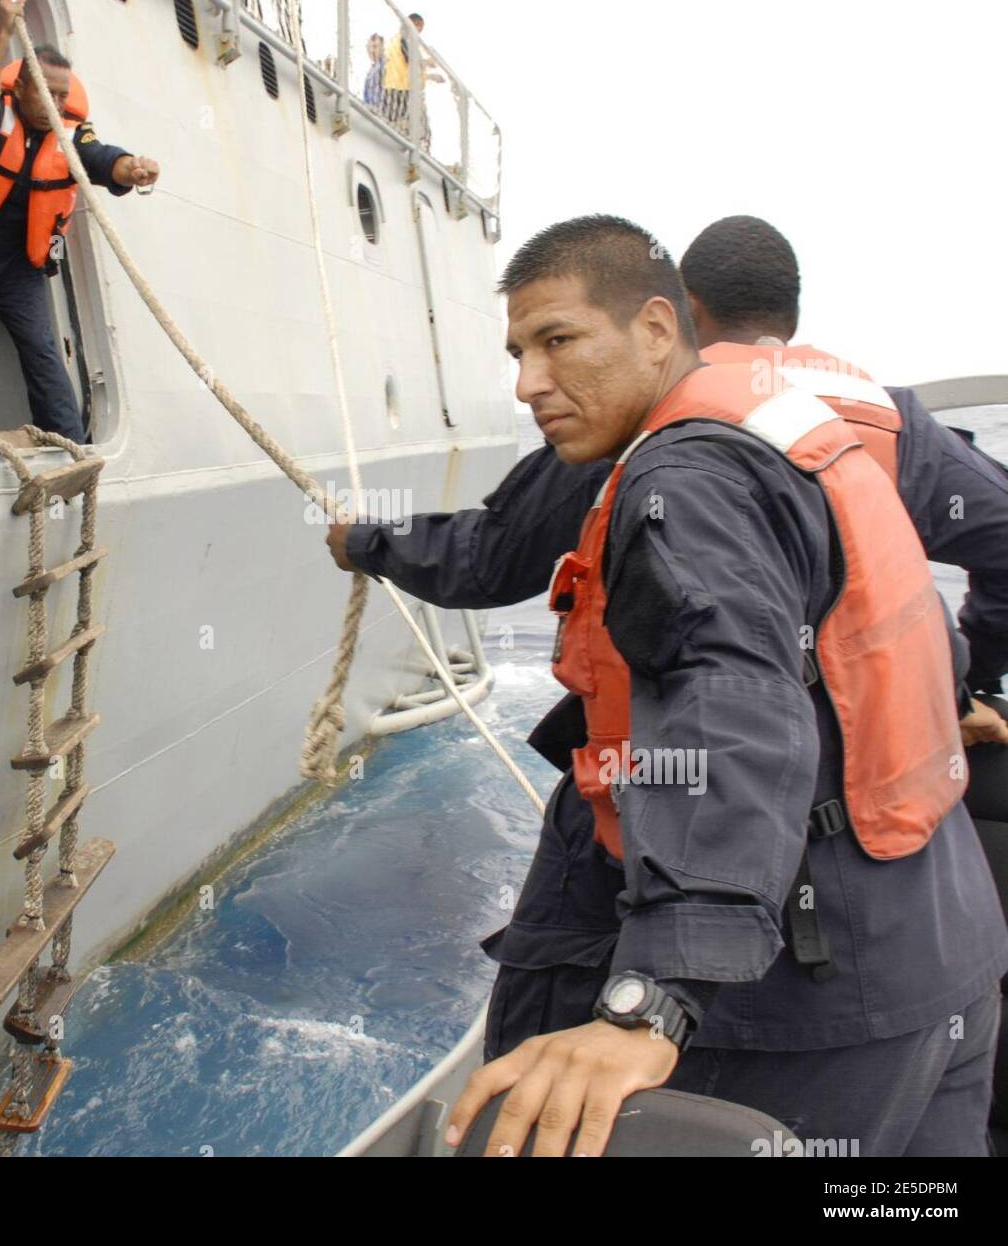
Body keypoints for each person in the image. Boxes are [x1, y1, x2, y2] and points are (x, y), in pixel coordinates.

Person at [332, 216, 1008, 1156]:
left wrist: (653, 998)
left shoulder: (681, 471)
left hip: (803, 994)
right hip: (942, 943)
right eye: (519, 352)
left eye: (558, 341)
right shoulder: (834, 417)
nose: (528, 383)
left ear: (665, 325)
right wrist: (979, 694)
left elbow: (727, 703)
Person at [0, 0, 159, 443]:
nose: (56, 101)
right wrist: (2, 33)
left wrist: (130, 167)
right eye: (46, 91)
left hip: (20, 268)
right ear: (21, 88)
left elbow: (99, 157)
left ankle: (69, 448)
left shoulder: (71, 132)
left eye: (62, 94)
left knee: (42, 352)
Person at [362, 33, 385, 109]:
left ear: (382, 47)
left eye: (375, 47)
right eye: (369, 47)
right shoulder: (371, 71)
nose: (372, 50)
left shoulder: (385, 65)